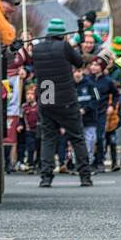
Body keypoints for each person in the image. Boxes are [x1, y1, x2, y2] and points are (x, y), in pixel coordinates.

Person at [31, 18, 93, 187]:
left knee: (48, 138)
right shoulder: (64, 47)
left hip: (46, 95)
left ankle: (46, 177)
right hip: (65, 98)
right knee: (77, 137)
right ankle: (85, 176)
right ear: (62, 34)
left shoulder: (37, 49)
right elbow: (79, 62)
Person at [18, 82, 39, 170]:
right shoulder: (24, 107)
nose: (30, 96)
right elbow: (21, 118)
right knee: (30, 147)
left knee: (39, 148)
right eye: (28, 94)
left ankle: (39, 163)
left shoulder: (39, 106)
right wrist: (20, 125)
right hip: (29, 130)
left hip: (39, 130)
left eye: (32, 94)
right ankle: (30, 164)